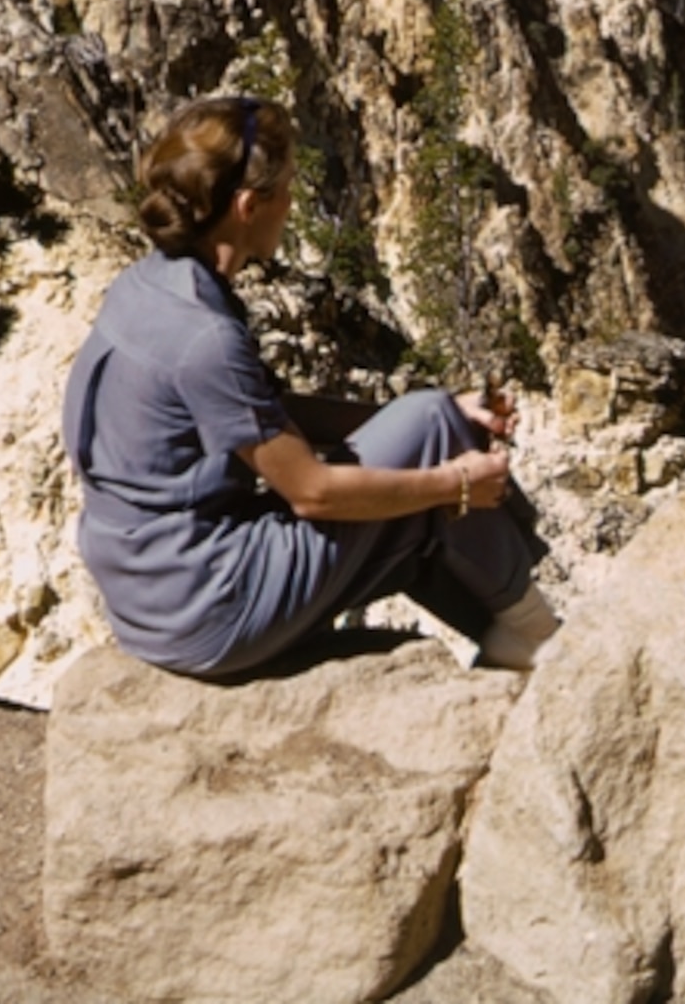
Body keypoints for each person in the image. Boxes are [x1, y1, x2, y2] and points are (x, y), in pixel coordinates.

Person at [63, 94, 562, 679]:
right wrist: (457, 482)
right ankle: (535, 637)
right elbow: (312, 492)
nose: (292, 203)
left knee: (428, 438)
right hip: (206, 606)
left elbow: (258, 413)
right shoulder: (204, 338)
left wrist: (414, 426)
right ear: (249, 206)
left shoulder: (146, 288)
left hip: (148, 596)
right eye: (287, 189)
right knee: (429, 432)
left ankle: (514, 643)